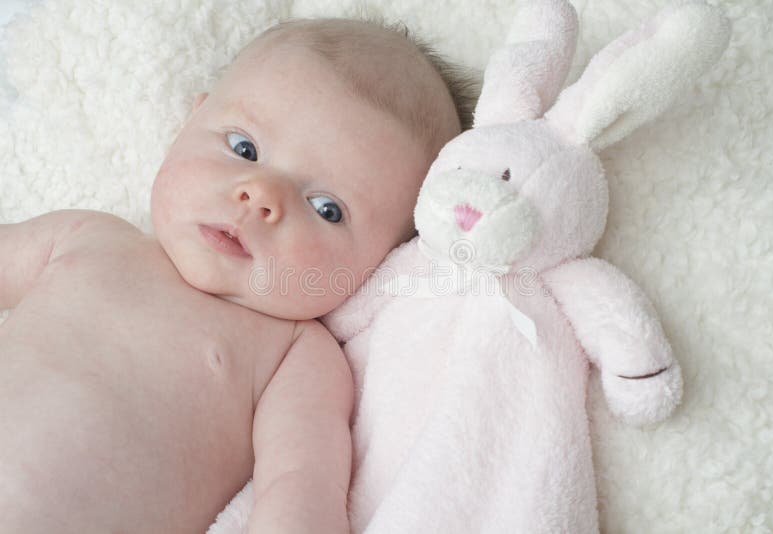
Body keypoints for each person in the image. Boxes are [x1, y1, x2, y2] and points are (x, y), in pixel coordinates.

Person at [0, 17, 473, 533]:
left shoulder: (295, 356)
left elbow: (299, 488)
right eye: (243, 149)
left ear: (382, 264)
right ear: (188, 125)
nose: (261, 195)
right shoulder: (87, 237)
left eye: (326, 208)